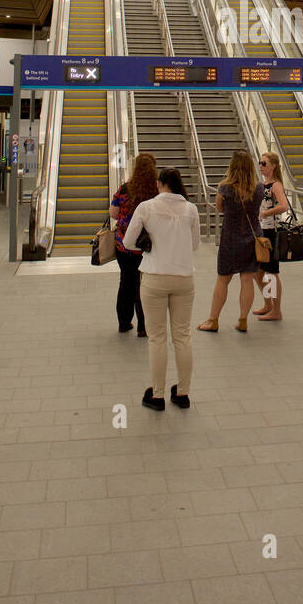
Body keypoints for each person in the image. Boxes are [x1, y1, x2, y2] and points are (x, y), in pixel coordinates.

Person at [123, 167, 200, 411]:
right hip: (184, 279)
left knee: (157, 338)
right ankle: (183, 393)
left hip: (154, 277)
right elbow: (196, 244)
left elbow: (127, 242)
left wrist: (148, 246)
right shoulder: (191, 209)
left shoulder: (147, 208)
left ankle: (157, 395)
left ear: (160, 184)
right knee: (183, 337)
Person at [198, 149, 264, 333]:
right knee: (247, 280)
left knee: (222, 280)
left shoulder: (225, 188)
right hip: (252, 238)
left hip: (230, 239)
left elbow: (220, 208)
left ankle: (213, 320)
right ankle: (243, 320)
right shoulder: (258, 188)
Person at [110, 152, 157, 335]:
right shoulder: (156, 192)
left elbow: (113, 213)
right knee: (144, 285)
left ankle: (124, 322)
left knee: (126, 282)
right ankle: (143, 327)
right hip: (147, 246)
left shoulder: (124, 189)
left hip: (124, 245)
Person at [252, 151, 289, 322]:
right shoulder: (262, 184)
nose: (261, 166)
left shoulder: (276, 185)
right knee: (258, 271)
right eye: (260, 163)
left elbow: (284, 206)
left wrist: (266, 213)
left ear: (273, 166)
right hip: (260, 231)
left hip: (270, 232)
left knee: (271, 271)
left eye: (264, 163)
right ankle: (268, 304)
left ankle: (277, 309)